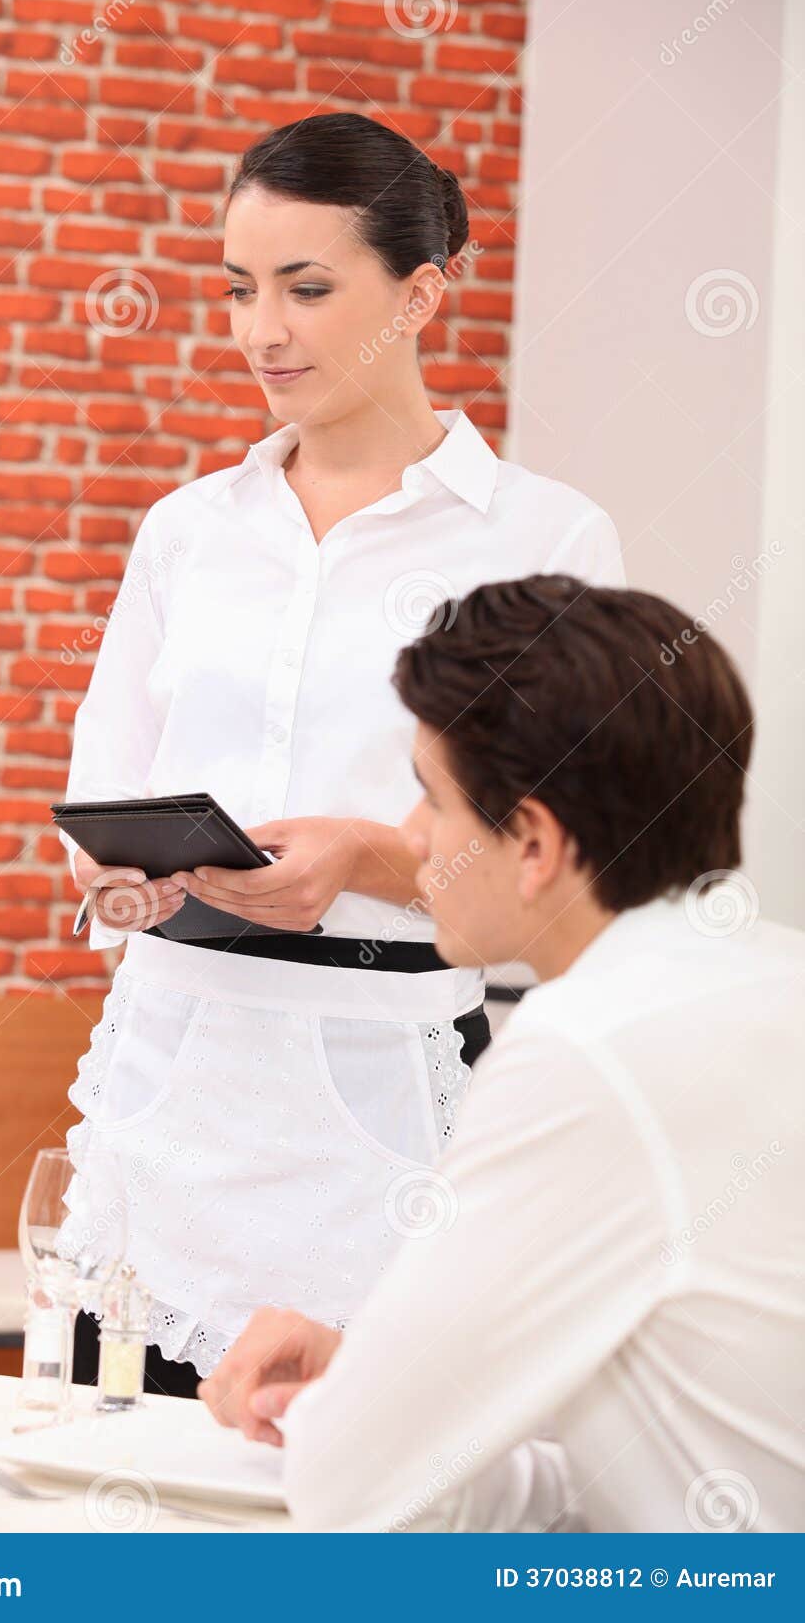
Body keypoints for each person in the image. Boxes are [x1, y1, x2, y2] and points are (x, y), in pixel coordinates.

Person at [57, 111, 624, 1398]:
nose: (261, 330)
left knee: (355, 1477)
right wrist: (117, 872)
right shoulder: (187, 532)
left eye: (305, 288)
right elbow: (103, 794)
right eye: (238, 288)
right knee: (114, 1469)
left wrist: (363, 857)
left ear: (419, 294)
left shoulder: (543, 541)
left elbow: (575, 865)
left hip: (384, 1096)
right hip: (168, 1087)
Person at [198, 574, 805, 1532]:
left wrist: (349, 1415)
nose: (410, 840)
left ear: (532, 844)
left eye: (429, 799)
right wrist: (387, 1393)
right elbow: (643, 1475)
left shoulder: (588, 1049)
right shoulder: (765, 979)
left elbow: (346, 1497)